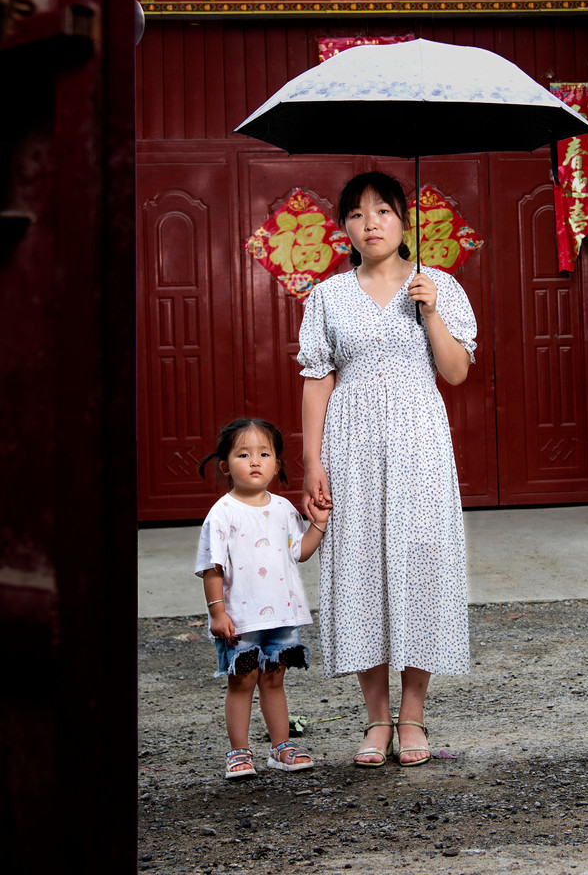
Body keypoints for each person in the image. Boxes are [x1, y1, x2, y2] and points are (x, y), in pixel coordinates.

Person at [298, 171, 477, 768]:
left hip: (418, 444)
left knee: (419, 561)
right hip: (349, 445)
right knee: (358, 566)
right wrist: (310, 459)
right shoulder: (327, 295)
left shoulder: (438, 286)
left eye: (381, 210)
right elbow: (318, 378)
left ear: (404, 220)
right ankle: (377, 719)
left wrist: (431, 314)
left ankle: (414, 714)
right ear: (344, 227)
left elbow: (455, 373)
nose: (368, 223)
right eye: (354, 214)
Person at [195, 418, 328, 779]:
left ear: (277, 464)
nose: (255, 462)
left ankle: (280, 747)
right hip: (241, 618)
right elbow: (211, 567)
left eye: (264, 453)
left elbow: (299, 552)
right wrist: (216, 612)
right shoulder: (222, 513)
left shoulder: (285, 509)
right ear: (225, 466)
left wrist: (318, 523)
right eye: (243, 454)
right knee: (242, 681)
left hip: (282, 616)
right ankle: (238, 752)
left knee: (274, 679)